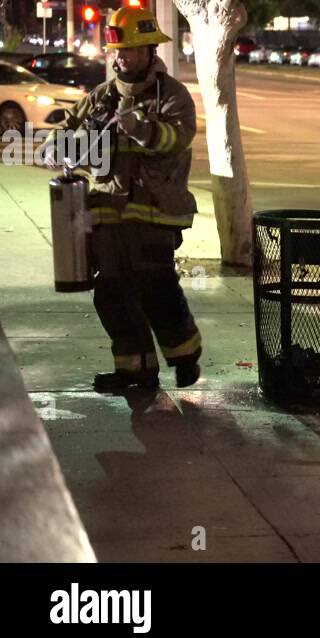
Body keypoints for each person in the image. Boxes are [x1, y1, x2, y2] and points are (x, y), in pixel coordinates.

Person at [44, 5, 201, 393]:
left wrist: (143, 128)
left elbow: (176, 140)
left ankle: (185, 357)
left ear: (150, 51)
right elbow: (63, 134)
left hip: (156, 217)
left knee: (156, 289)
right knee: (112, 295)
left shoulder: (173, 96)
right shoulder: (101, 98)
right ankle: (136, 372)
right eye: (116, 49)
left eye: (129, 50)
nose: (121, 57)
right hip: (109, 218)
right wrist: (57, 148)